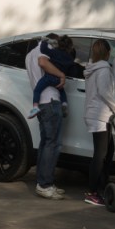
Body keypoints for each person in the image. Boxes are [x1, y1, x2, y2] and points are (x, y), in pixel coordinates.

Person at [25, 34, 77, 199]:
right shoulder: (44, 50)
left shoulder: (29, 55)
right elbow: (43, 62)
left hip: (42, 103)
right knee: (53, 144)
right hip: (50, 101)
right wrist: (61, 74)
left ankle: (43, 181)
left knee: (46, 143)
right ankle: (45, 185)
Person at [82, 39, 115, 206]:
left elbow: (110, 85)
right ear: (107, 53)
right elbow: (105, 92)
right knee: (100, 155)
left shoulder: (95, 68)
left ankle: (102, 185)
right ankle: (92, 192)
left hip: (97, 114)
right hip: (99, 115)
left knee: (108, 151)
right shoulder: (103, 70)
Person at [28, 35, 84, 117]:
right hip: (58, 80)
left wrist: (45, 41)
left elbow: (43, 49)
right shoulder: (69, 58)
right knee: (62, 91)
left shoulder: (54, 52)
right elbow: (73, 71)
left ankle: (35, 107)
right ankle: (64, 104)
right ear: (70, 47)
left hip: (49, 77)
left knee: (37, 90)